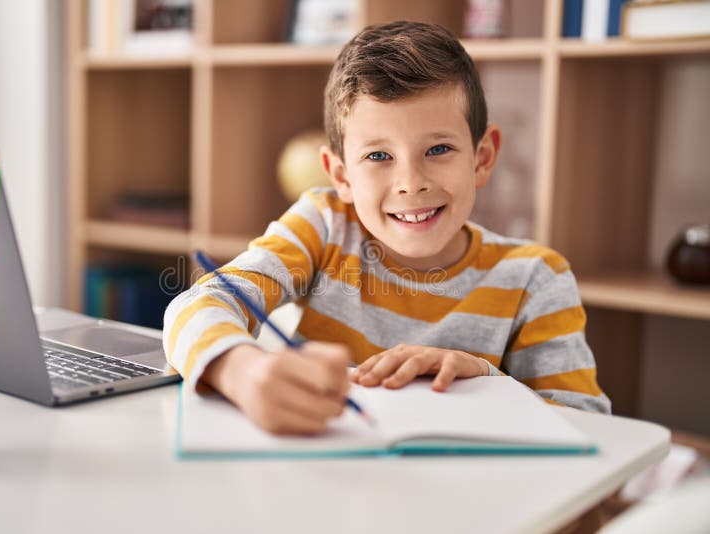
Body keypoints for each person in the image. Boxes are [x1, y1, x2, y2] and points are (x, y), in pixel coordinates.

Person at [163, 20, 611, 435]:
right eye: (379, 156)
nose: (411, 183)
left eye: (438, 149)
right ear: (340, 176)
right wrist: (242, 371)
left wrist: (483, 380)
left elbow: (591, 428)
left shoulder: (536, 279)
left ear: (483, 157)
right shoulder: (326, 226)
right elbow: (197, 306)